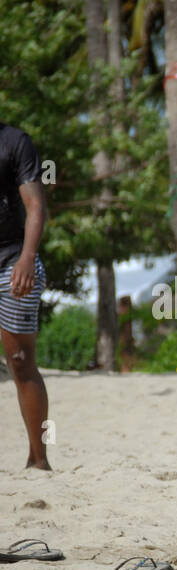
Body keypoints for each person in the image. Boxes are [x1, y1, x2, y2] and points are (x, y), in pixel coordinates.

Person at [0, 121, 50, 470]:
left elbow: (35, 205)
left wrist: (27, 258)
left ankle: (39, 458)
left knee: (19, 360)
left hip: (11, 261)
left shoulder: (15, 142)